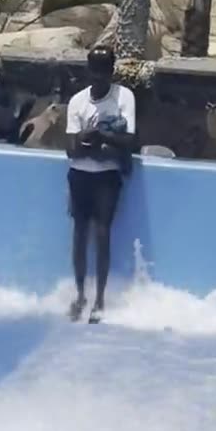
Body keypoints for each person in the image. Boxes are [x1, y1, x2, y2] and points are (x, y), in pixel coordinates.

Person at [65, 45, 138, 324]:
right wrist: (92, 139)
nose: (99, 76)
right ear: (89, 70)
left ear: (111, 71)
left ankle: (100, 299)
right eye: (95, 71)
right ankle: (80, 295)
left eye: (104, 71)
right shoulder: (77, 101)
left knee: (102, 233)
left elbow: (128, 139)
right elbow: (71, 149)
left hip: (106, 176)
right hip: (80, 175)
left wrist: (100, 138)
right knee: (79, 234)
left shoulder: (124, 96)